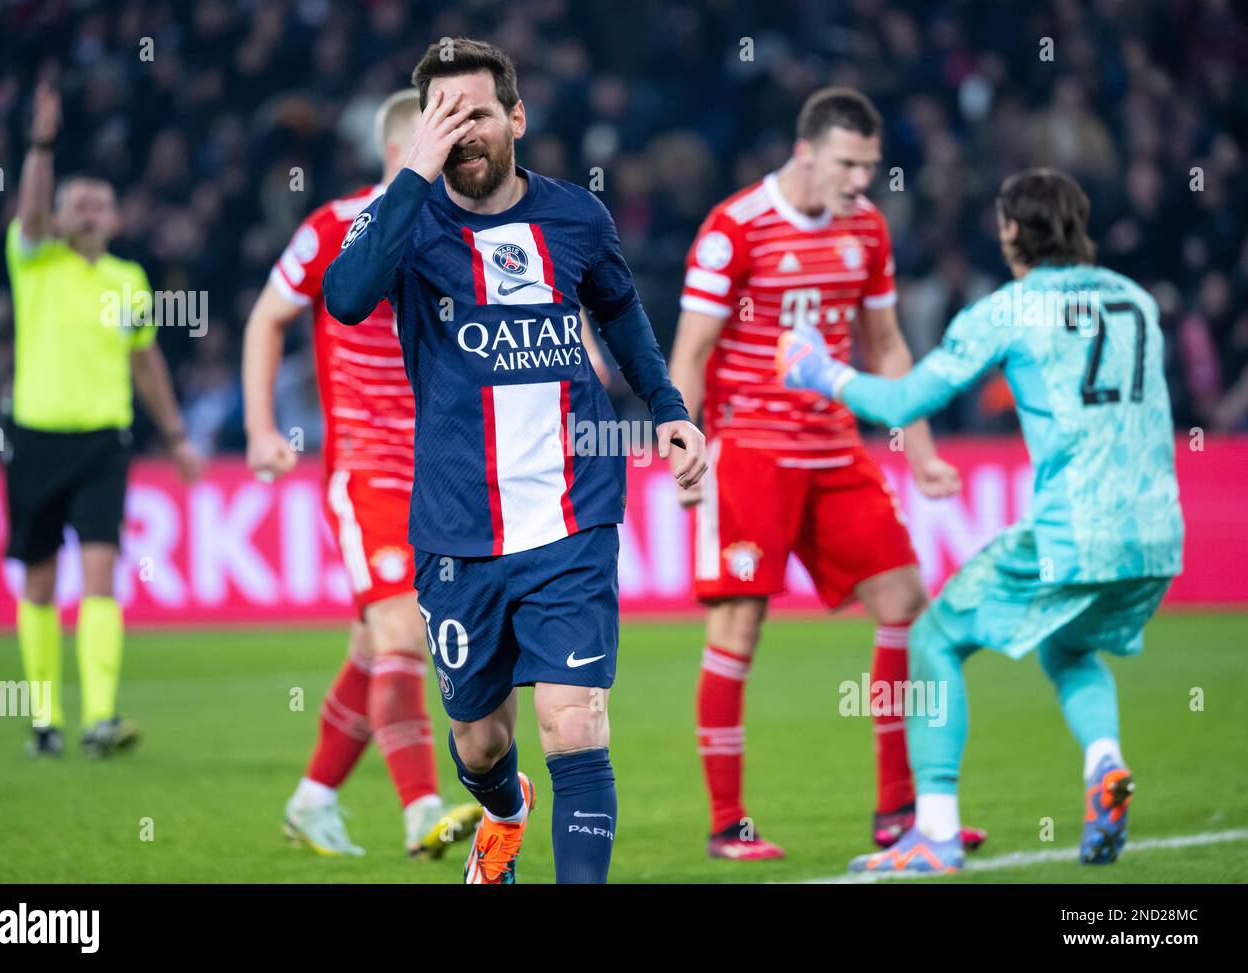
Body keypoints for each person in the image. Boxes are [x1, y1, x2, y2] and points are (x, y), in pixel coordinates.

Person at [323, 38, 707, 884]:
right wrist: (412, 174)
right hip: (458, 523)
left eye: (477, 113)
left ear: (516, 118)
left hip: (573, 513)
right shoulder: (405, 216)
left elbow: (621, 315)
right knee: (480, 737)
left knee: (575, 723)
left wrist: (672, 412)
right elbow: (345, 299)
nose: (463, 131)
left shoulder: (576, 217)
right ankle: (503, 810)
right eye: (443, 116)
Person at [778, 168, 1184, 873]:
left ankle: (934, 829)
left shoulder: (1008, 310)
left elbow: (903, 401)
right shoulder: (1138, 301)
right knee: (1067, 647)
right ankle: (1105, 764)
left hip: (1077, 529)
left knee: (934, 636)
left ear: (1009, 232)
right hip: (1158, 529)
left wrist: (820, 372)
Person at [667, 87, 983, 858]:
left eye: (870, 165)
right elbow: (690, 352)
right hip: (750, 452)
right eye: (849, 162)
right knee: (740, 622)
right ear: (806, 152)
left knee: (906, 599)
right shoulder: (734, 229)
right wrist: (684, 448)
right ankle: (726, 823)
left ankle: (896, 809)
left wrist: (922, 447)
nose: (861, 180)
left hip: (835, 446)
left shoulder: (868, 228)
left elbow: (887, 345)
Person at [243, 89, 481, 860]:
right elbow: (266, 318)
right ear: (398, 152)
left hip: (444, 471)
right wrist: (258, 428)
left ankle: (312, 799)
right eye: (441, 148)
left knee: (374, 644)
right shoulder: (334, 228)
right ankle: (422, 811)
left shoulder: (460, 231)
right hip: (368, 468)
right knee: (403, 627)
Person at [5, 83, 202, 758]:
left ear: (116, 218)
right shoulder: (33, 257)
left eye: (99, 205)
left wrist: (175, 435)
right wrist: (41, 144)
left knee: (99, 570)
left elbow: (146, 364)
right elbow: (30, 211)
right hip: (34, 437)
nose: (88, 213)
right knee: (37, 580)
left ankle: (99, 718)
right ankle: (42, 721)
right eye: (77, 204)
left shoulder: (128, 279)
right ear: (60, 213)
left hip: (102, 442)